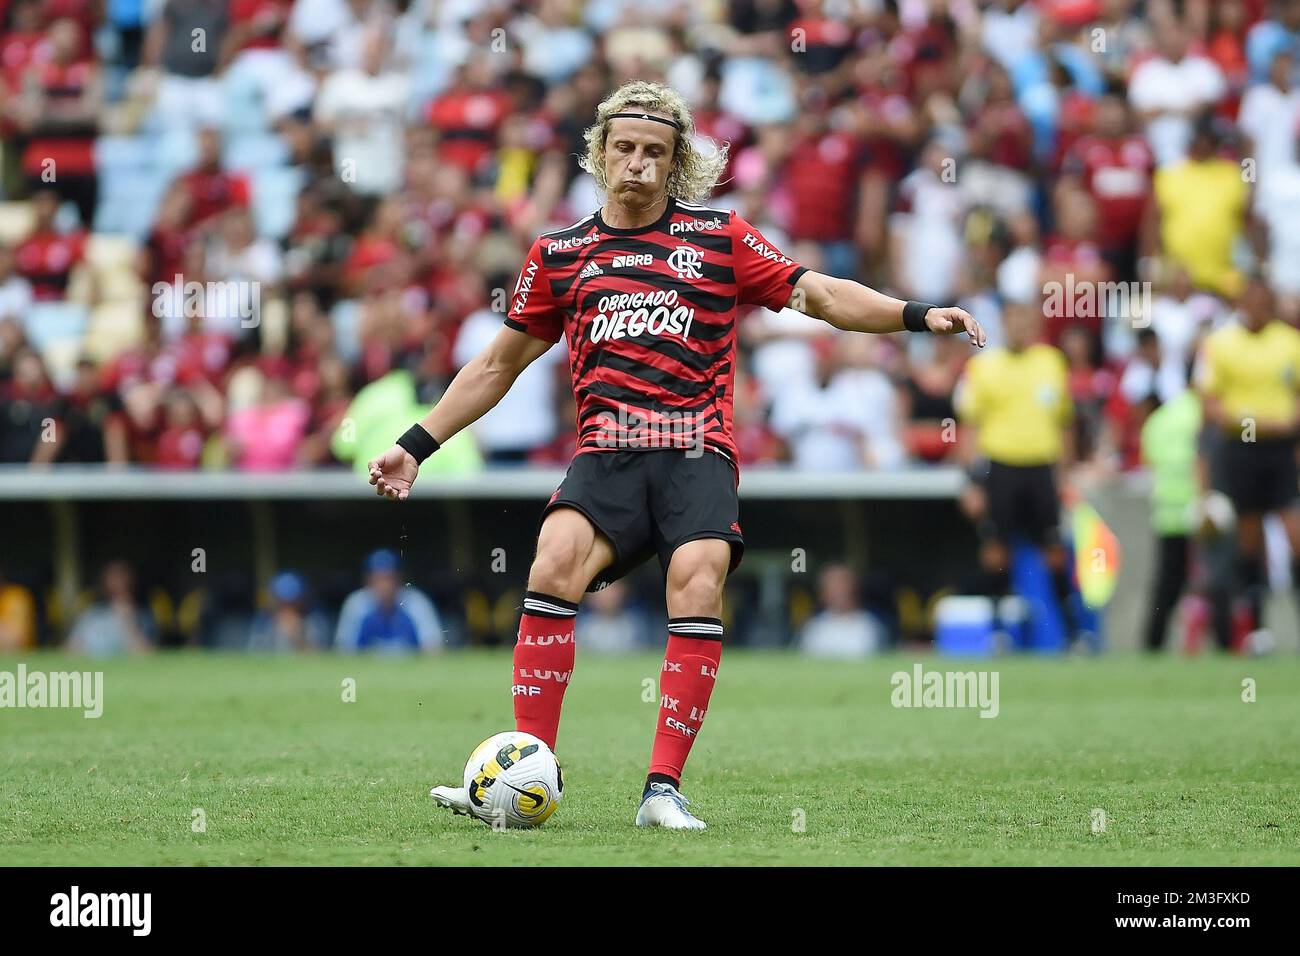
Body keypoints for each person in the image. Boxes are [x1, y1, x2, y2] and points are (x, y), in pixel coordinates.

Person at [366, 80, 985, 830]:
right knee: (552, 560)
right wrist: (416, 445)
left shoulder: (721, 238)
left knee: (696, 579)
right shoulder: (560, 253)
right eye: (625, 148)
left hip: (696, 451)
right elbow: (497, 365)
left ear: (676, 162)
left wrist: (916, 315)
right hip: (607, 453)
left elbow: (819, 296)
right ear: (600, 153)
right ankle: (525, 770)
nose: (638, 162)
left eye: (655, 152)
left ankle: (661, 790)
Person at [956, 303, 1079, 640]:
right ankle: (998, 630)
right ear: (1004, 324)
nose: (1019, 327)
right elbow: (970, 427)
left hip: (1041, 467)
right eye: (1013, 320)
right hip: (1001, 466)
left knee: (1053, 548)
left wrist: (1065, 475)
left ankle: (1071, 632)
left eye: (1026, 320)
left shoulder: (1051, 362)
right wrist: (970, 482)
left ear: (1035, 325)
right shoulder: (983, 366)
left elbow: (1065, 422)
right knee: (997, 548)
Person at [1196, 274, 1300, 645]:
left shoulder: (1290, 342)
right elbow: (1211, 403)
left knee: (1295, 533)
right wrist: (1260, 422)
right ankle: (1257, 630)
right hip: (1243, 448)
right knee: (1249, 540)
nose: (1258, 308)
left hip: (1282, 451)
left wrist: (1288, 423)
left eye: (1264, 302)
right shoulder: (1220, 344)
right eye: (1252, 301)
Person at [334, 549, 442, 654]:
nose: (384, 585)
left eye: (389, 577)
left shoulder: (416, 602)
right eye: (378, 578)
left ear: (399, 578)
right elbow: (343, 649)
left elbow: (433, 646)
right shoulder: (356, 603)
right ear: (368, 579)